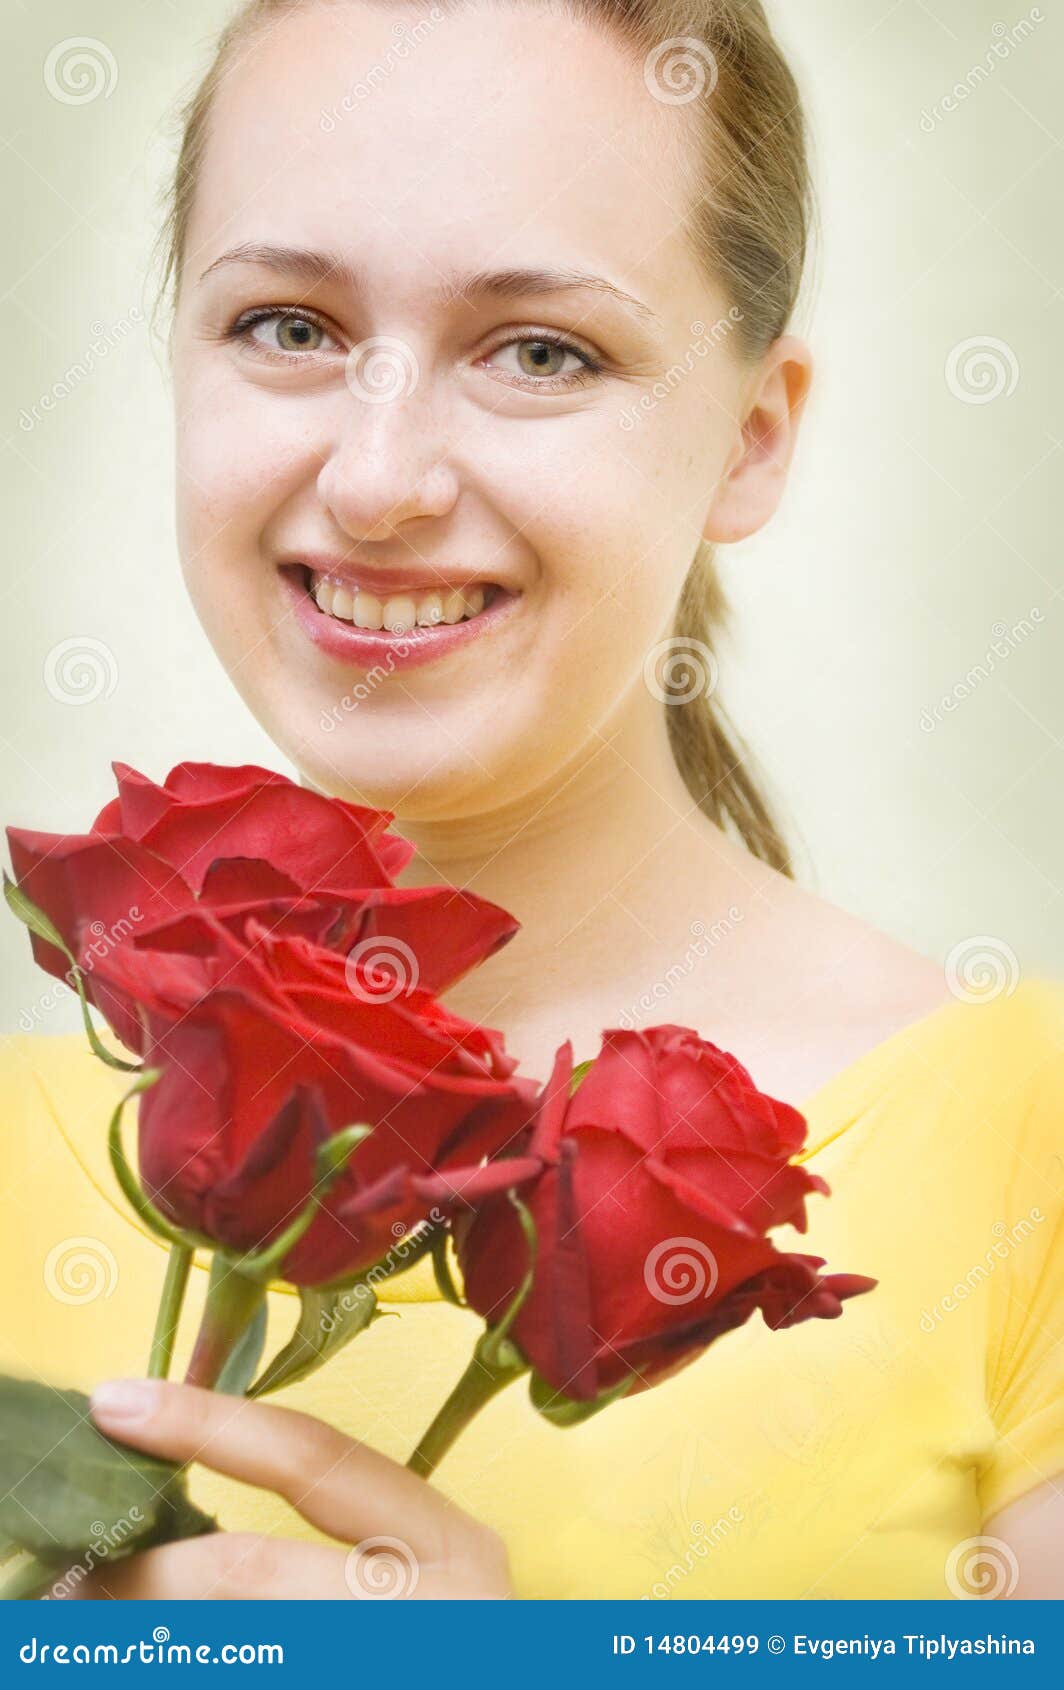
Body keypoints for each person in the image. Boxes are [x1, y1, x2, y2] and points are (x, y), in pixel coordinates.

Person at [3, 0, 1062, 1599]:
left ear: (749, 440)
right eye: (286, 324)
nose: (375, 479)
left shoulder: (1019, 1148)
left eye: (541, 350)